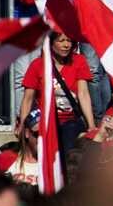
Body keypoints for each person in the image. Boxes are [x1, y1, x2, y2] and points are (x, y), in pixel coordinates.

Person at [15, 31, 94, 162]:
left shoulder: (79, 61)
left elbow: (83, 94)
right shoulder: (37, 65)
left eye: (69, 41)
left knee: (69, 144)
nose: (66, 45)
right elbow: (27, 99)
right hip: (44, 122)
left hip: (70, 122)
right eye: (61, 41)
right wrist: (23, 126)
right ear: (50, 43)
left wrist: (91, 125)